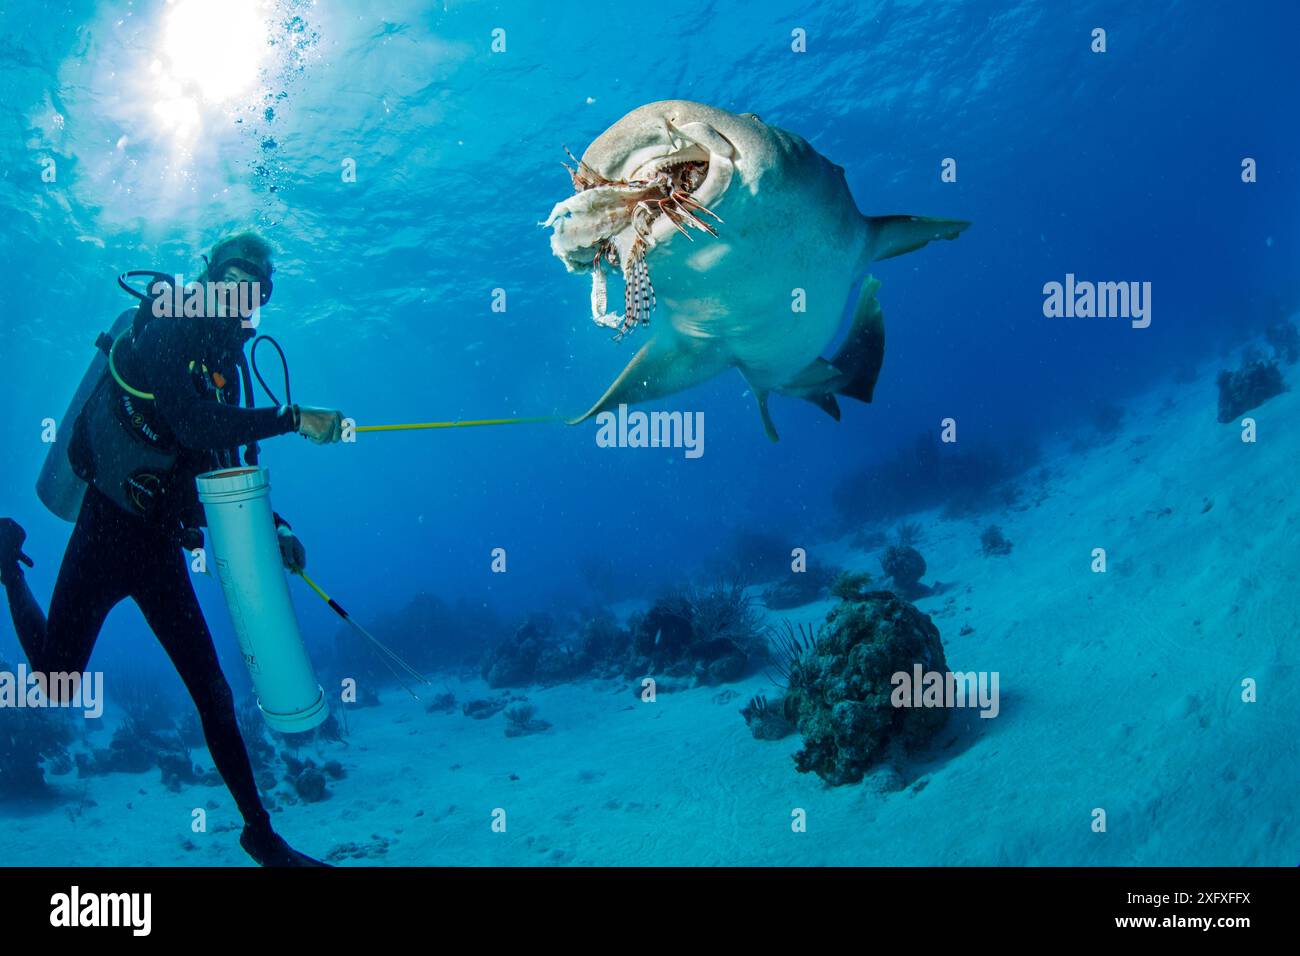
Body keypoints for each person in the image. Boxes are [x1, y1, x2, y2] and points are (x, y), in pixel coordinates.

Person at [0, 232, 344, 866]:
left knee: (213, 691)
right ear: (210, 276)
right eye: (235, 278)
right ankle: (6, 564)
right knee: (54, 679)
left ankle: (260, 835)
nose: (242, 298)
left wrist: (276, 530)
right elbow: (189, 422)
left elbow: (223, 465)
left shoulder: (228, 371)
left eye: (257, 289)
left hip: (160, 547)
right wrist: (293, 417)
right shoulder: (165, 318)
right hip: (106, 529)